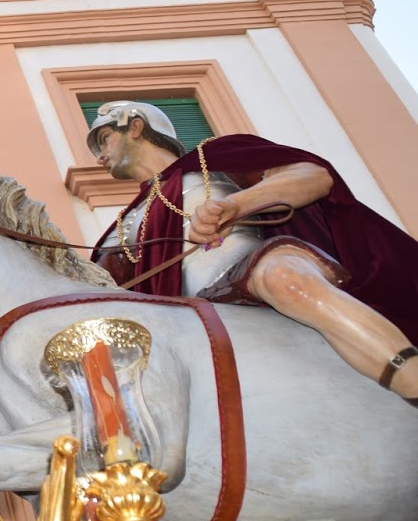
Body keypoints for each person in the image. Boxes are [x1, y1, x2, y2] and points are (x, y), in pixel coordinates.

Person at [87, 100, 418, 396]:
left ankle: (412, 378)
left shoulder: (215, 156)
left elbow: (314, 177)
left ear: (135, 126)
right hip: (191, 323)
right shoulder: (122, 225)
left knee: (283, 277)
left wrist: (236, 205)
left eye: (104, 139)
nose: (100, 156)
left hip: (251, 270)